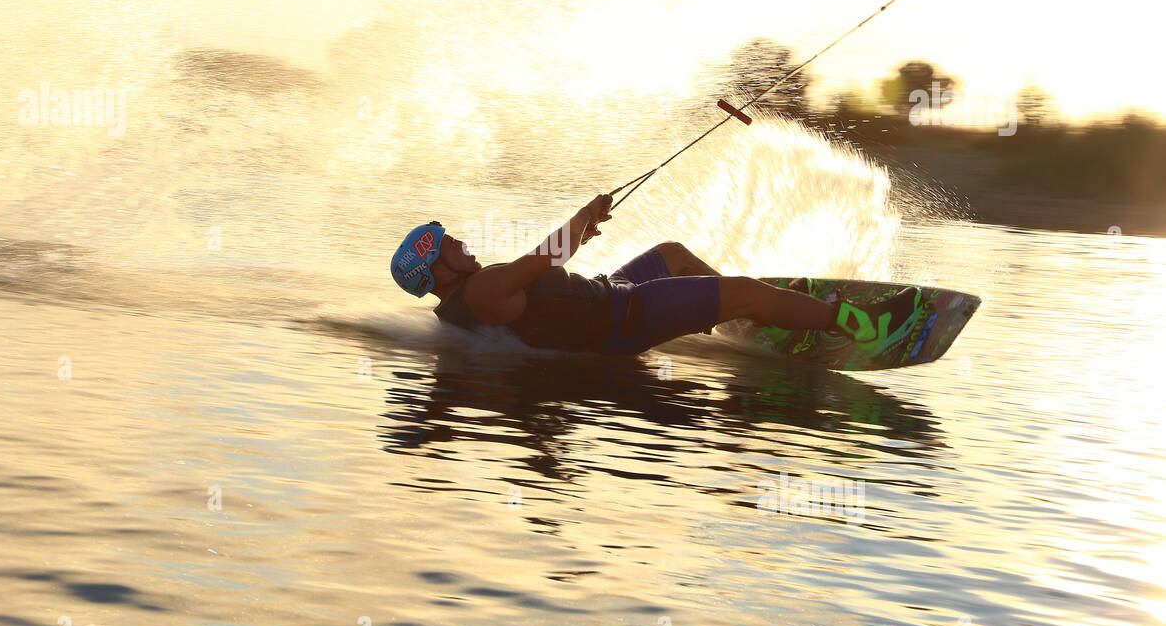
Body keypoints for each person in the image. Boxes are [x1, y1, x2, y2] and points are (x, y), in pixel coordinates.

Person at [390, 194, 920, 356]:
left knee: (672, 253)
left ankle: (750, 316)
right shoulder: (480, 288)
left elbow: (537, 285)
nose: (463, 243)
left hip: (607, 296)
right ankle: (857, 325)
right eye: (450, 245)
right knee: (739, 292)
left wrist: (578, 234)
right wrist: (583, 218)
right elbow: (543, 263)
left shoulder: (462, 306)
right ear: (436, 268)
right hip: (623, 319)